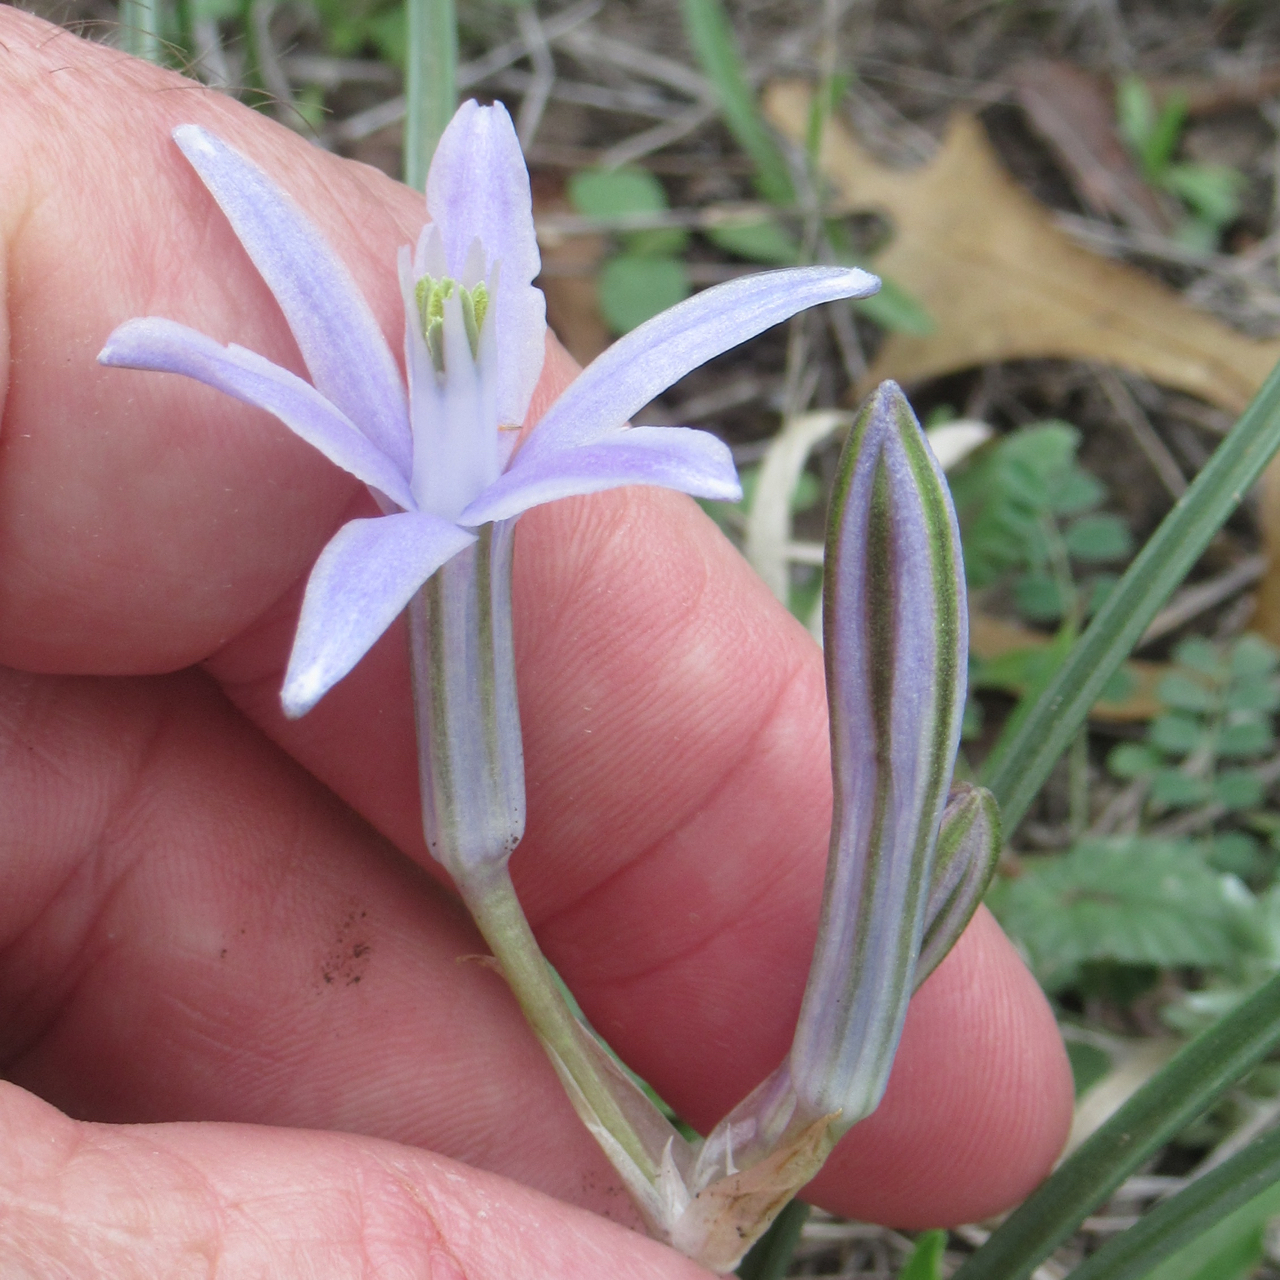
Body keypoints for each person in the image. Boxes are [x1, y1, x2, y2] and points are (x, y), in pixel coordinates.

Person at [0, 8, 1072, 1274]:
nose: (453, 313)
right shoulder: (391, 481)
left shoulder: (566, 437)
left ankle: (840, 1042)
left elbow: (678, 454)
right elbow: (162, 333)